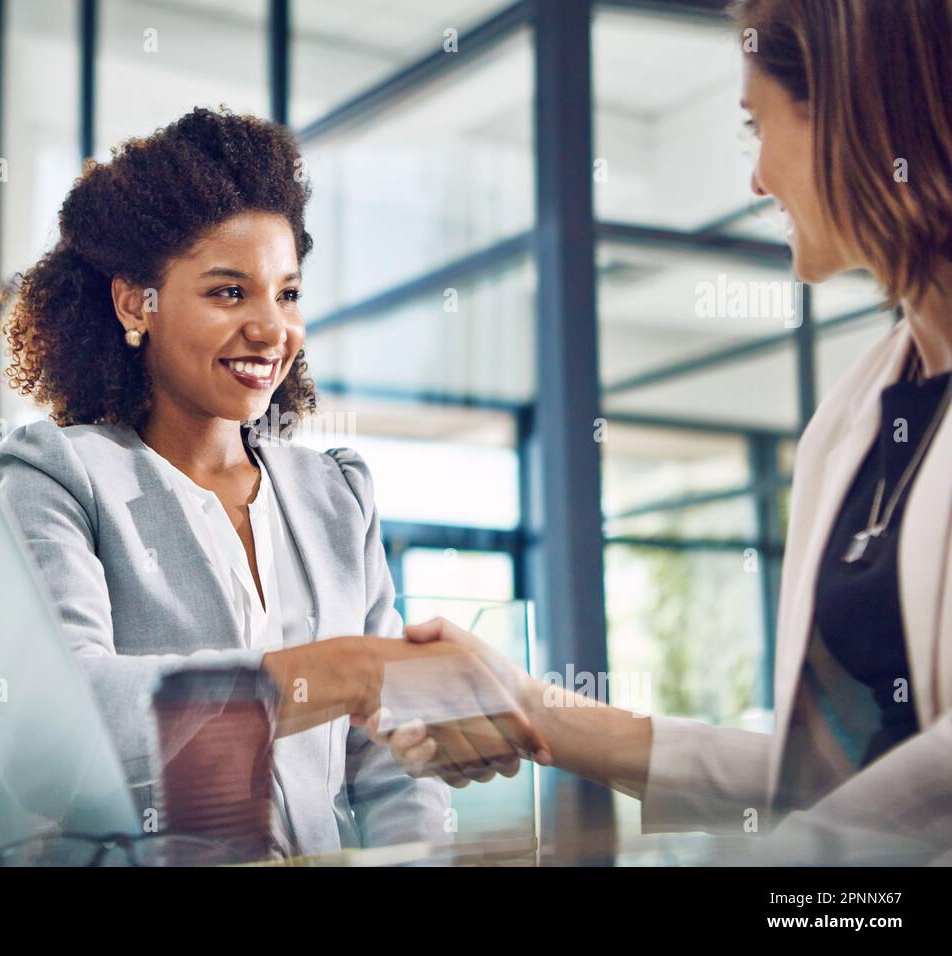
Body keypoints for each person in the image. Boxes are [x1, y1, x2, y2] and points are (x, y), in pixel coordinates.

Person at [371, 0, 952, 864]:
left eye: (757, 125)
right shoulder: (855, 420)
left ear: (856, 111)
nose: (756, 180)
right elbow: (824, 780)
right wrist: (529, 708)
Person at [0, 107, 545, 858]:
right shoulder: (59, 475)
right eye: (229, 293)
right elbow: (64, 715)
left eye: (287, 294)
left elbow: (390, 763)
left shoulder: (337, 497)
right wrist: (347, 670)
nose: (271, 328)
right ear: (134, 304)